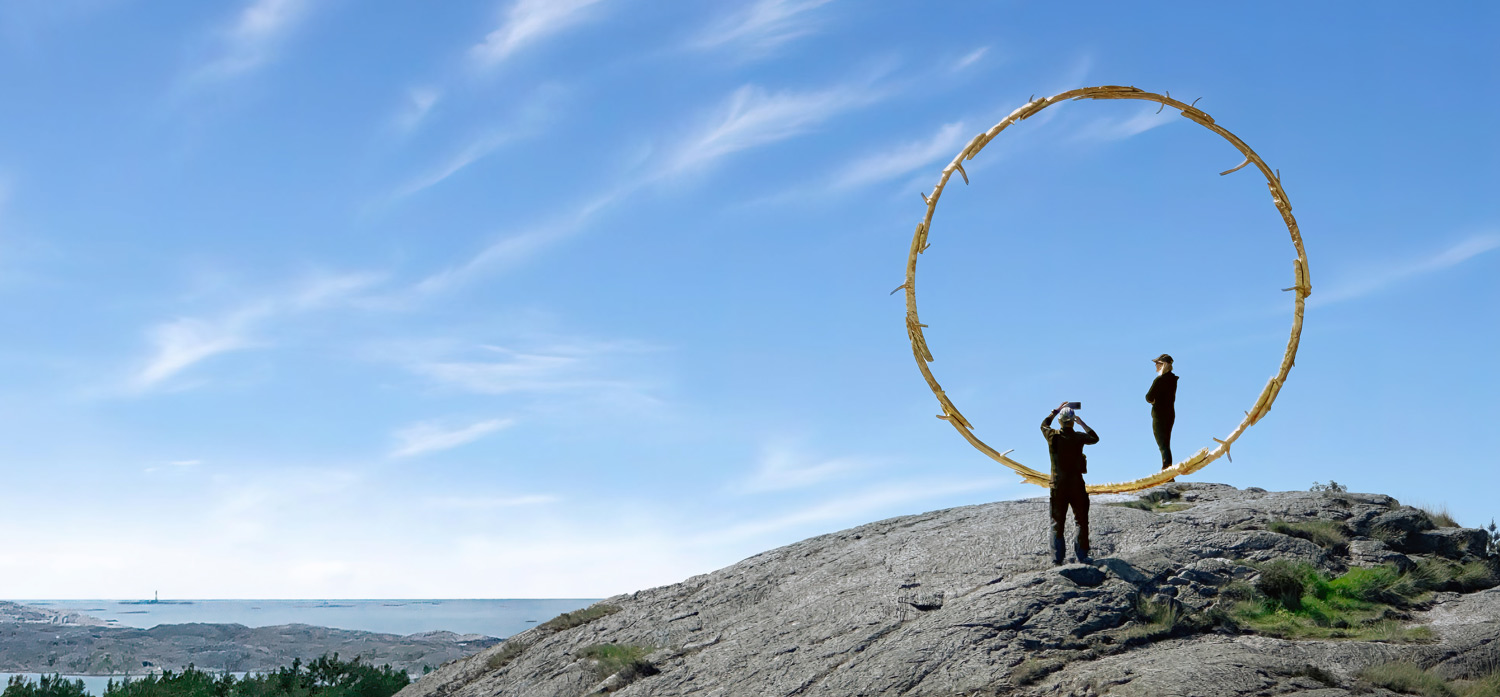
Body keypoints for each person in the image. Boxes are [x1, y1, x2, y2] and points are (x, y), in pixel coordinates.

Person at [1041, 401, 1099, 565]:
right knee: (1081, 520)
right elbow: (1095, 438)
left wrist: (1055, 411)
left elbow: (1043, 425)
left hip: (1058, 485)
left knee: (1056, 523)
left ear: (1060, 421)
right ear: (1073, 422)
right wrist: (1082, 423)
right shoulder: (1079, 437)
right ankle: (1082, 556)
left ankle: (1057, 560)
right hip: (1076, 485)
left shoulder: (1053, 436)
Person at [1146, 354, 1178, 470]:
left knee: (1162, 444)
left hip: (1159, 415)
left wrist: (1154, 401)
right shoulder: (1173, 380)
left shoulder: (1159, 380)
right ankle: (1167, 466)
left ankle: (1166, 467)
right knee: (1166, 443)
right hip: (1170, 414)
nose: (1155, 365)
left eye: (1157, 363)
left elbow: (1148, 397)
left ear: (1163, 365)